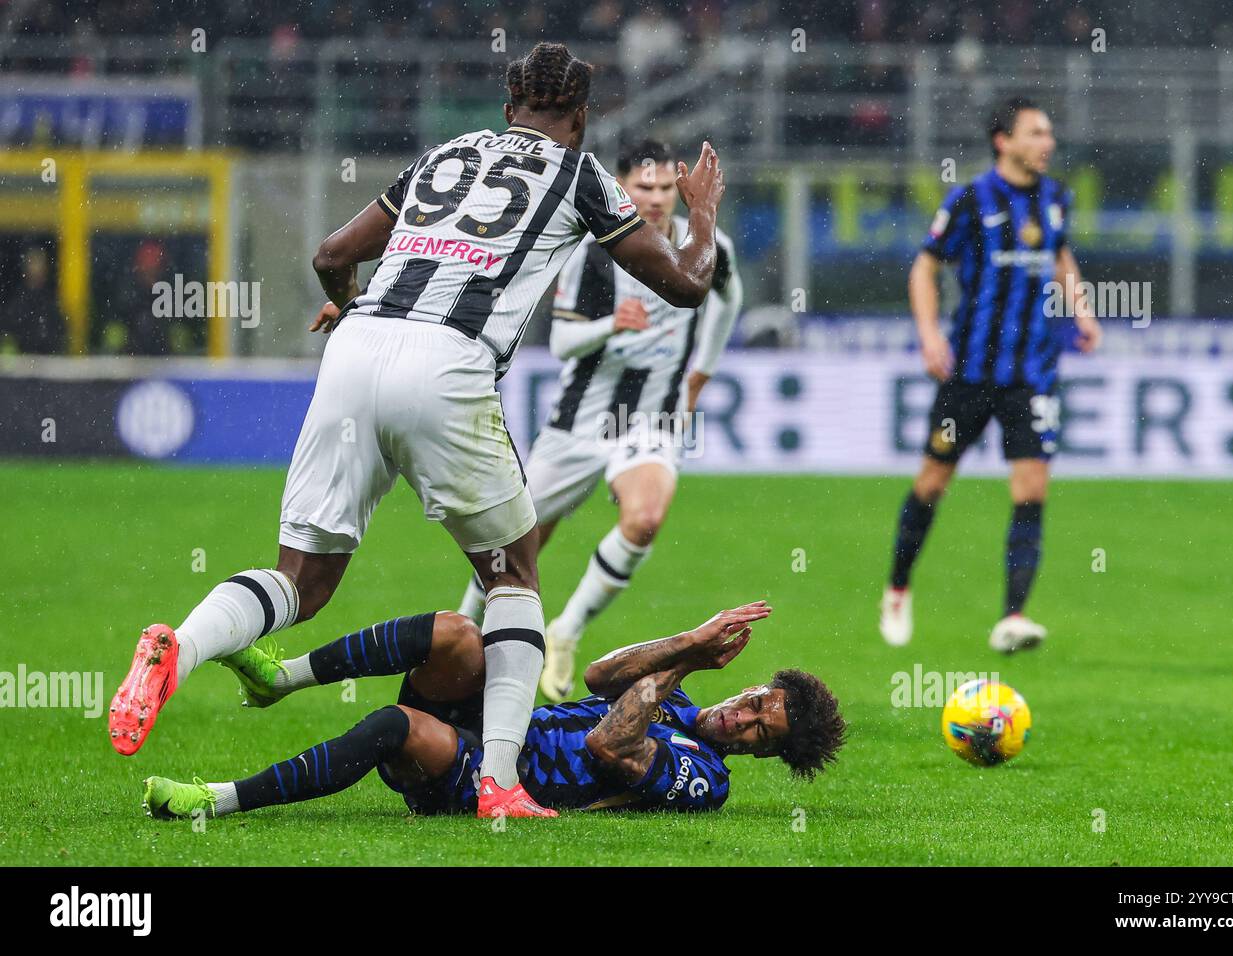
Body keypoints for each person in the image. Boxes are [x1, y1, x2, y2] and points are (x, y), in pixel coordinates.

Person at [109, 42, 726, 821]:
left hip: (356, 348)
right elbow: (687, 283)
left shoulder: (446, 155)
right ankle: (499, 784)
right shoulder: (580, 174)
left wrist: (349, 298)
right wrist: (701, 210)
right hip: (448, 362)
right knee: (513, 577)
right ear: (578, 119)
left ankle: (183, 648)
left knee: (301, 581)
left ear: (508, 109)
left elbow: (331, 253)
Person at [457, 138, 743, 702]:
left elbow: (729, 296)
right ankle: (463, 639)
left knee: (645, 519)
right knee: (511, 545)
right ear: (623, 186)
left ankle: (567, 628)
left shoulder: (707, 244)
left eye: (666, 187)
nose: (657, 198)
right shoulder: (592, 251)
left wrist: (701, 372)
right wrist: (612, 325)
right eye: (644, 187)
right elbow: (562, 341)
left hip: (648, 421)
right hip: (577, 424)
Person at [141, 601, 845, 818]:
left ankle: (218, 801)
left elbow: (609, 747)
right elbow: (601, 674)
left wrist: (683, 660)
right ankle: (281, 676)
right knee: (456, 635)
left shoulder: (706, 780)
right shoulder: (682, 698)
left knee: (393, 729)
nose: (743, 718)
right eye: (756, 702)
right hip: (497, 728)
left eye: (760, 731)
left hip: (490, 779)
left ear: (761, 754)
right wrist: (685, 643)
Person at [880, 96, 1102, 653]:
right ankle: (898, 587)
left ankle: (1012, 617)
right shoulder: (971, 200)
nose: (1047, 142)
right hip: (971, 375)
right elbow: (925, 267)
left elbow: (1061, 256)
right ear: (1003, 140)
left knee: (1031, 489)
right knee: (933, 482)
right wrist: (930, 336)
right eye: (1036, 132)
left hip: (1033, 374)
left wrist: (1082, 308)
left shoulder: (1056, 199)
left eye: (1049, 132)